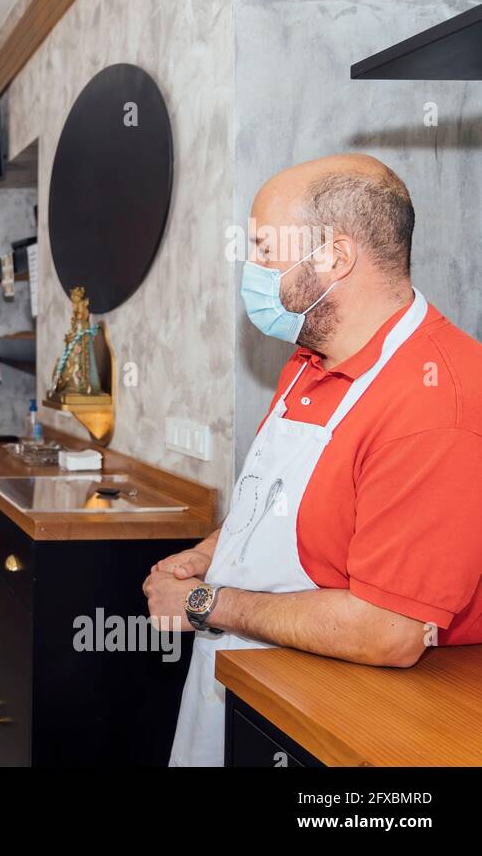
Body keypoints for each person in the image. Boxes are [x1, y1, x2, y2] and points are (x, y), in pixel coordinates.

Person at [143, 154, 482, 767]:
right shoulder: (309, 358)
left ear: (335, 256)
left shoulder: (438, 402)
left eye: (264, 247)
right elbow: (275, 504)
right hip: (244, 677)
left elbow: (389, 631)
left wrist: (203, 603)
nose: (250, 268)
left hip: (334, 714)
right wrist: (204, 556)